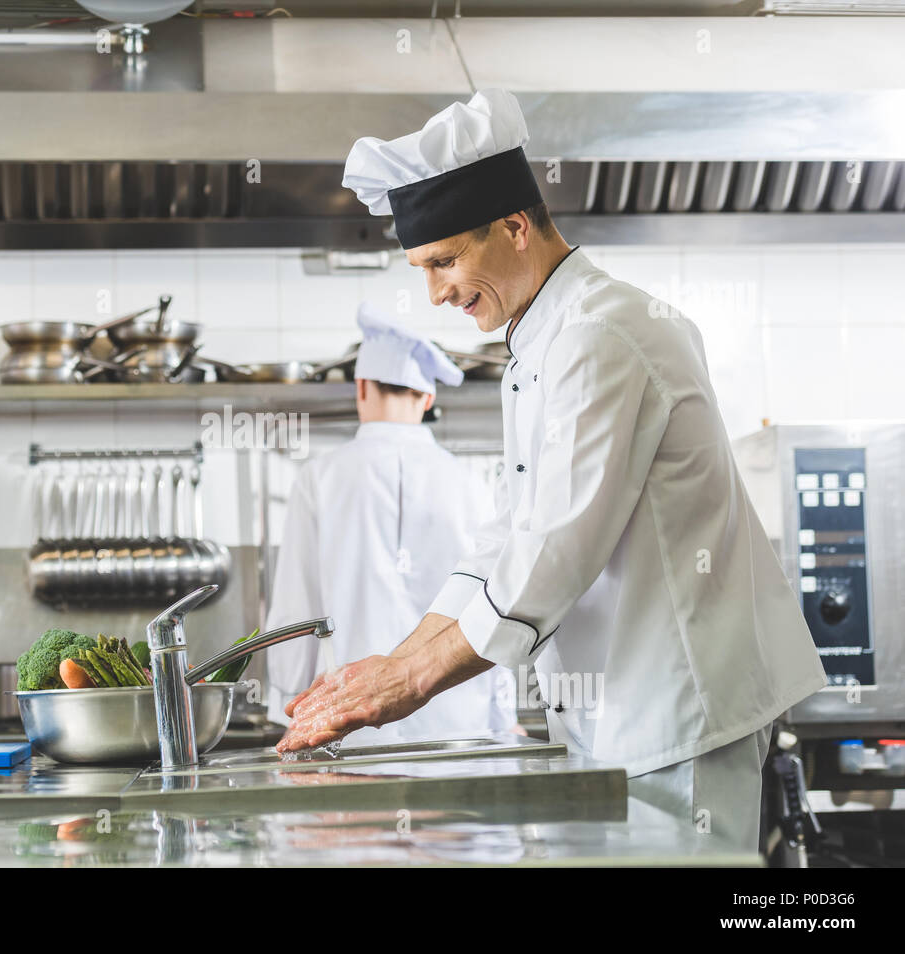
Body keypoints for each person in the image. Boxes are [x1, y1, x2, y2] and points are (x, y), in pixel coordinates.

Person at [275, 90, 826, 851]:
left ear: (514, 226)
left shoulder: (604, 334)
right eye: (422, 268)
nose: (434, 292)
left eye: (444, 261)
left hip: (680, 713)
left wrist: (405, 686)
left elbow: (553, 556)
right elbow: (503, 543)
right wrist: (383, 667)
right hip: (621, 716)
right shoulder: (543, 344)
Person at [264, 304, 518, 746]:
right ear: (427, 398)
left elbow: (295, 612)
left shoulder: (319, 479)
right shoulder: (472, 483)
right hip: (461, 728)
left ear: (361, 387)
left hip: (349, 725)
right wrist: (503, 713)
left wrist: (292, 705)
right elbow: (494, 602)